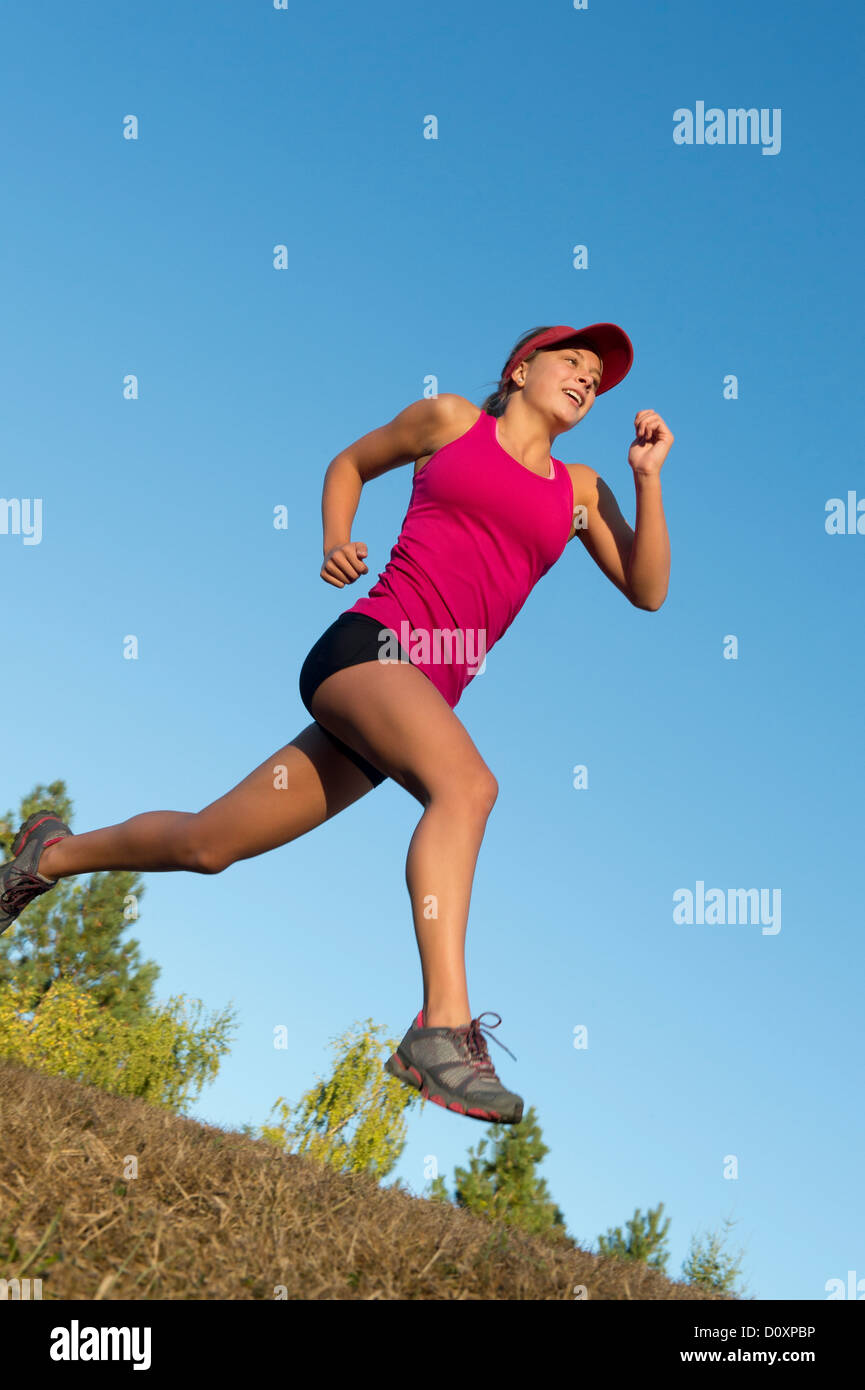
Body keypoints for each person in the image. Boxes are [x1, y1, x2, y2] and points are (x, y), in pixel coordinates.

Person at [0, 322, 673, 1125]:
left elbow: (647, 588)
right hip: (367, 650)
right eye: (573, 361)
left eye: (598, 378)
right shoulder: (453, 422)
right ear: (522, 368)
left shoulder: (581, 490)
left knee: (209, 844)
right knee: (467, 787)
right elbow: (350, 463)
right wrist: (335, 538)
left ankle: (49, 854)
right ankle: (441, 1030)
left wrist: (646, 479)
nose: (587, 380)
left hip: (415, 698)